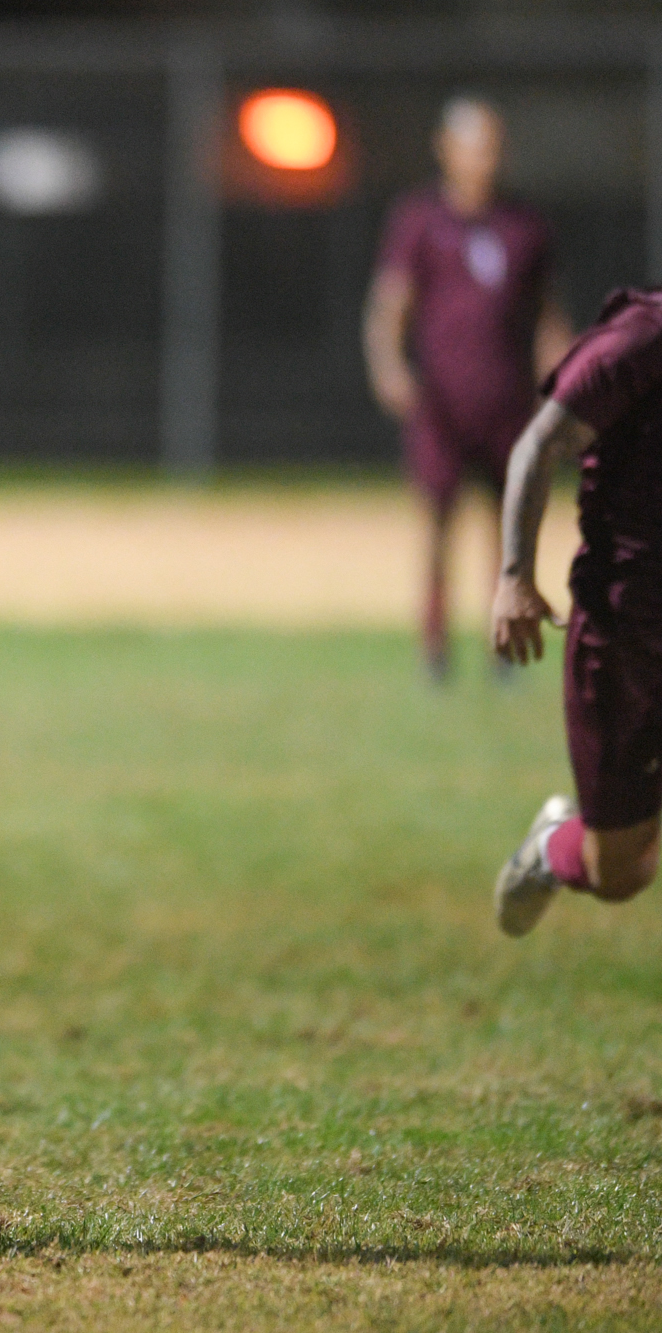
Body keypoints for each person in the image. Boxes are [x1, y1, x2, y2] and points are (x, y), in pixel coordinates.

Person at [364, 95, 573, 682]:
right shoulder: (420, 221)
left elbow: (548, 319)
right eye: (474, 148)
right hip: (442, 409)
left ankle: (504, 650)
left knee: (509, 538)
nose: (485, 161)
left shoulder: (525, 227)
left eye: (493, 148)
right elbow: (390, 306)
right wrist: (389, 367)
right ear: (447, 151)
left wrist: (565, 385)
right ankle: (434, 649)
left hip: (509, 409)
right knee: (436, 527)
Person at [490, 286, 662, 936]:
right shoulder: (643, 338)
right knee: (621, 869)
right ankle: (551, 847)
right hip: (628, 632)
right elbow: (539, 445)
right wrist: (514, 578)